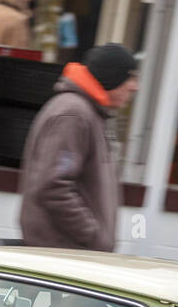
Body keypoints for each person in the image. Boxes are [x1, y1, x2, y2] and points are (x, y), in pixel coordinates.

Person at [17, 42, 139, 251]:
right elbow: (53, 186)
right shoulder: (74, 114)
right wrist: (92, 235)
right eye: (130, 78)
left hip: (69, 252)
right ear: (112, 78)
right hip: (62, 254)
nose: (135, 86)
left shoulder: (88, 113)